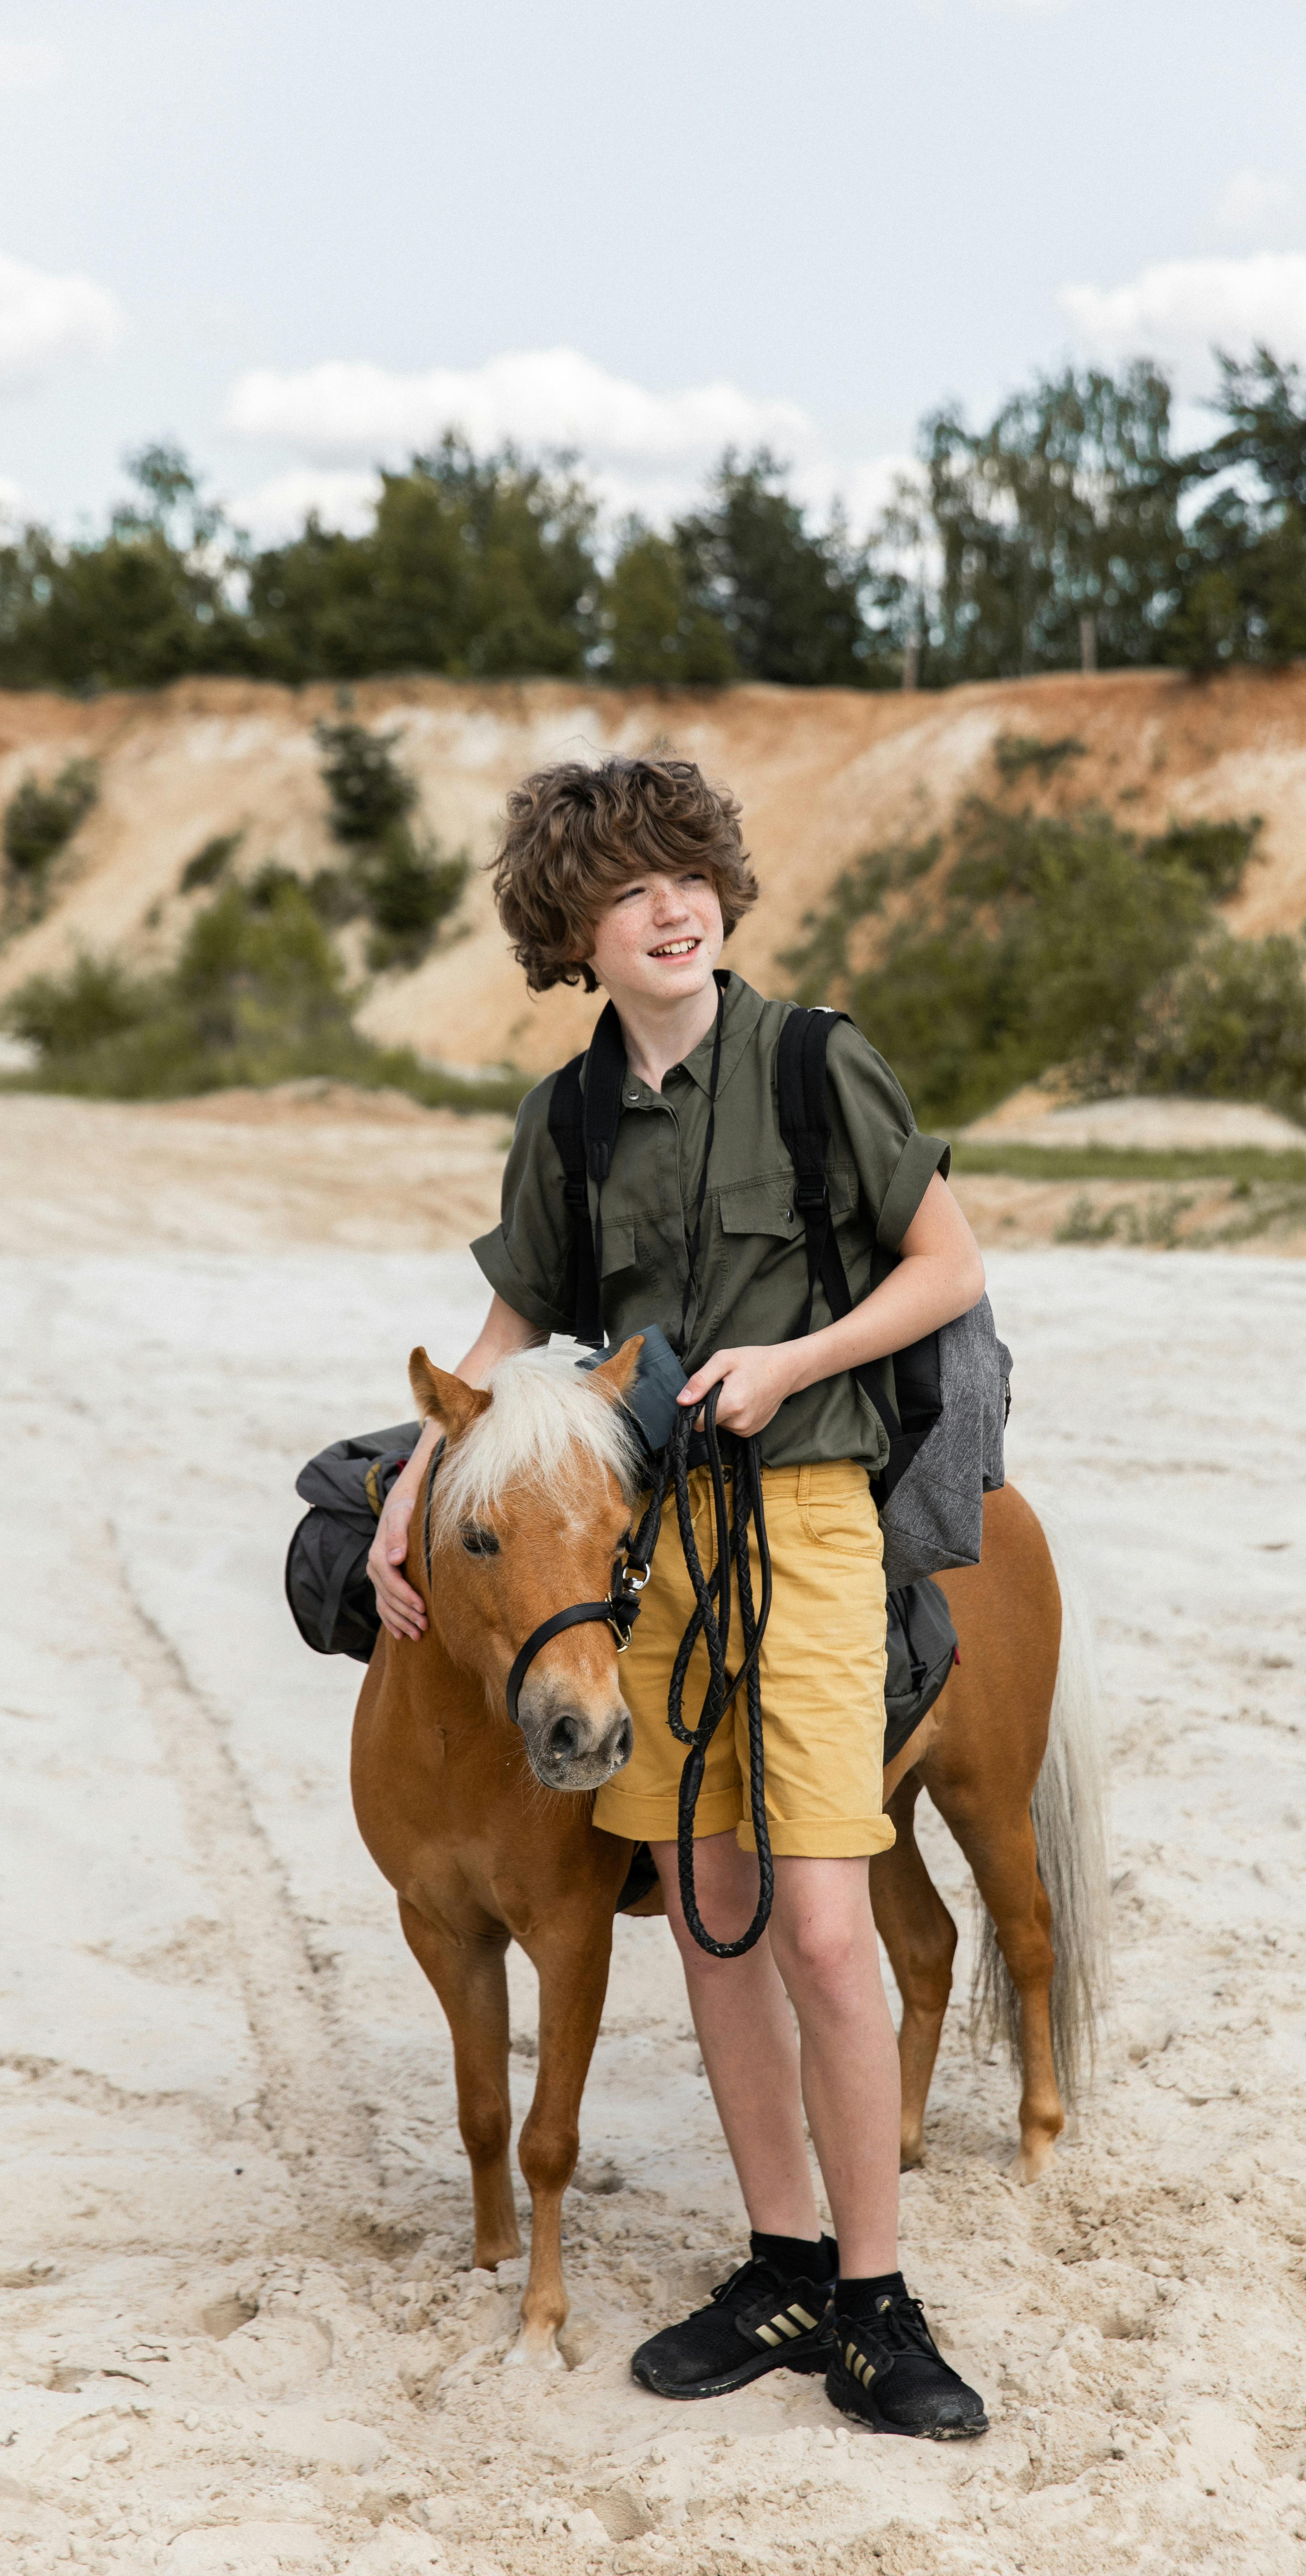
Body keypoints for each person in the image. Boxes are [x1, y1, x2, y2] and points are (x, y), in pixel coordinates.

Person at [367, 755, 990, 2440]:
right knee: (712, 1929)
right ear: (574, 929)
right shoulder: (566, 1120)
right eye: (630, 886)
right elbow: (506, 1335)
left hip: (804, 1523)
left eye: (689, 871)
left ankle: (875, 2298)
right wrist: (414, 1480)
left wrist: (797, 1356)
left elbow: (950, 1266)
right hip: (640, 1552)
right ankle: (778, 2261)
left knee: (819, 1925)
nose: (672, 903)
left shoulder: (810, 1059)